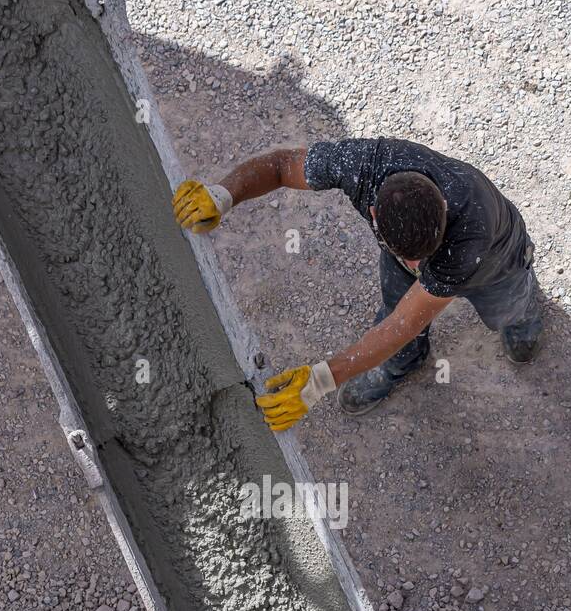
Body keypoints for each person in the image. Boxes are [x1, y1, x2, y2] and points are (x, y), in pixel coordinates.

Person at [172, 137, 542, 431]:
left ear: (443, 208)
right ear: (375, 212)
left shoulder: (469, 235)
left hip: (494, 261)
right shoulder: (362, 164)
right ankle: (404, 363)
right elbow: (283, 166)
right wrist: (224, 194)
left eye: (421, 258)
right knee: (396, 305)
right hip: (425, 247)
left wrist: (317, 382)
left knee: (507, 304)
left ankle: (524, 317)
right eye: (409, 257)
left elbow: (403, 325)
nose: (417, 268)